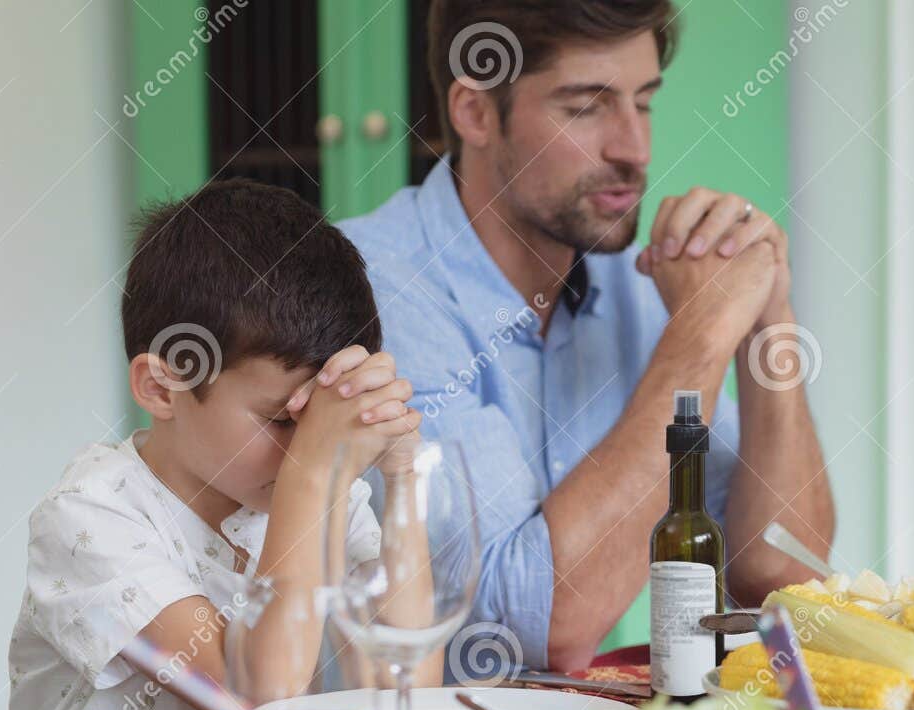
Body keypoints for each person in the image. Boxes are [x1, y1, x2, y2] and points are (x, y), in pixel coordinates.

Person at [339, 0, 836, 673]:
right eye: (585, 107)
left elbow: (780, 574)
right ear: (476, 111)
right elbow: (537, 631)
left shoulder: (643, 285)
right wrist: (702, 334)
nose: (633, 149)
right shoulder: (370, 288)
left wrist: (765, 312)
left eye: (644, 102)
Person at [8, 179, 428, 710]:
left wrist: (401, 477)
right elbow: (257, 697)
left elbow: (406, 684)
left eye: (322, 423)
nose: (308, 445)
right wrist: (311, 474)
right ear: (162, 388)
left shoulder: (317, 485)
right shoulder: (90, 517)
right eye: (283, 420)